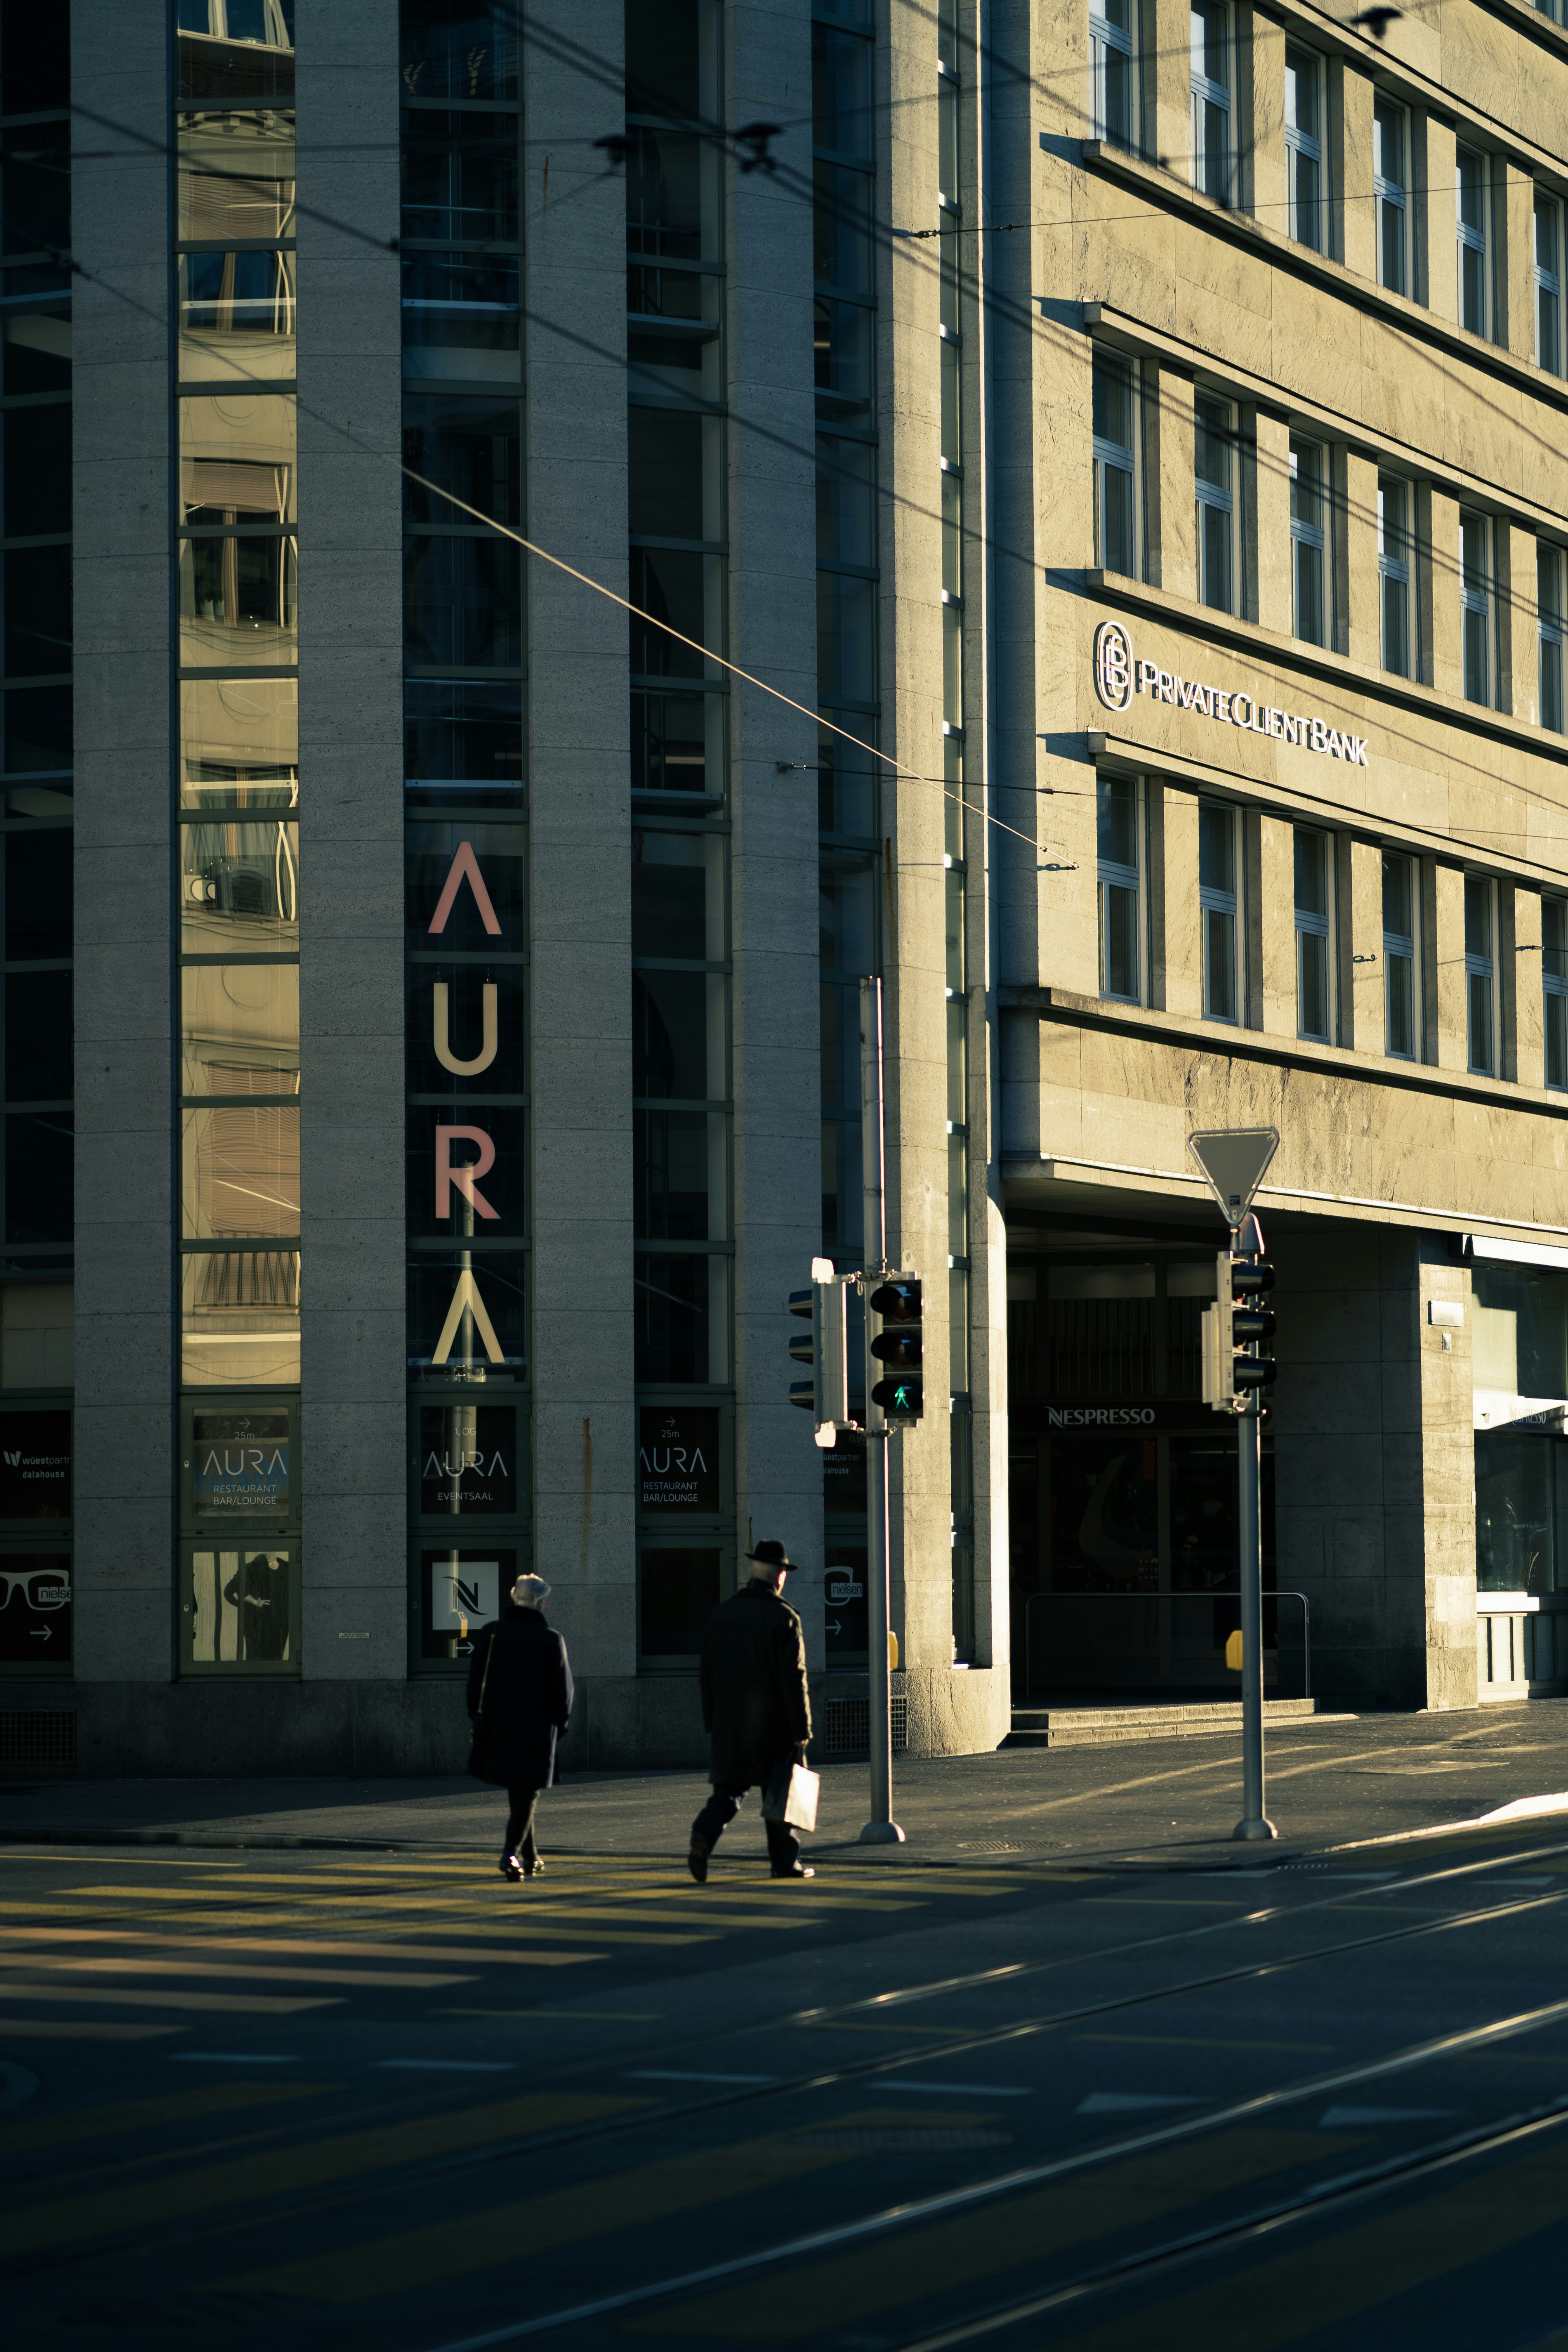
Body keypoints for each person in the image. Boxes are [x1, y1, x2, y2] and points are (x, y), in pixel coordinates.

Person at [689, 1539, 814, 1882]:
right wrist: (802, 1727)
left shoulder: (722, 1614)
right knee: (780, 1794)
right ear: (780, 1577)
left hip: (730, 1721)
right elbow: (794, 1677)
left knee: (729, 1790)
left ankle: (703, 1834)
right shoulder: (784, 1617)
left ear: (752, 1572)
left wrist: (711, 1718)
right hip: (774, 1724)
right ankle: (784, 1862)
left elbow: (706, 1673)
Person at [466, 1573, 573, 1881]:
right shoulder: (550, 1639)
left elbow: (475, 1683)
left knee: (520, 1792)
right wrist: (561, 1724)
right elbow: (563, 1692)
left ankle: (531, 1856)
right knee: (527, 1791)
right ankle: (510, 1852)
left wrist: (475, 1714)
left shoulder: (491, 1633)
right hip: (536, 1728)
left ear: (515, 1598)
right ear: (541, 1603)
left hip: (498, 1725)